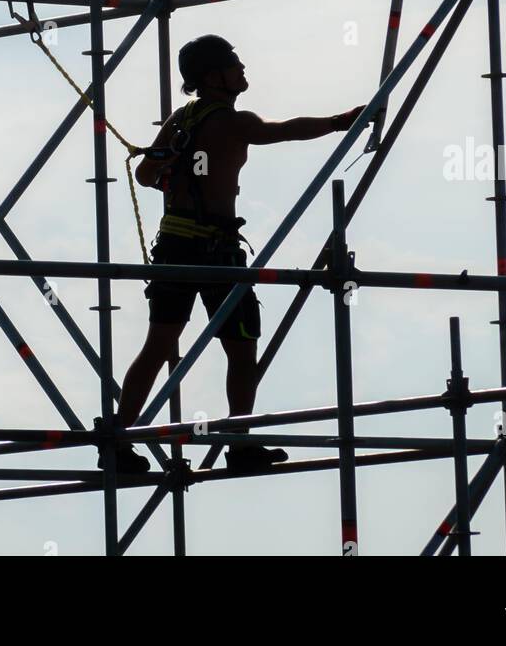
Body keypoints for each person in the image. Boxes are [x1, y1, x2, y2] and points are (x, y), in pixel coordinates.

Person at [107, 34, 362, 476]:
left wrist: (174, 166)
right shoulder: (231, 121)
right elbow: (283, 131)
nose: (243, 71)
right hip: (214, 250)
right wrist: (343, 121)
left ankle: (118, 440)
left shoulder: (181, 121)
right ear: (213, 76)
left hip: (174, 247)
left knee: (159, 345)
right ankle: (240, 443)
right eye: (234, 66)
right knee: (241, 349)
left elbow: (147, 174)